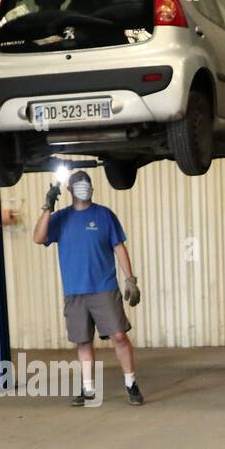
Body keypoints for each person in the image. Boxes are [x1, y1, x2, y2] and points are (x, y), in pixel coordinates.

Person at [32, 170, 145, 406]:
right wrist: (47, 207)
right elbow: (39, 237)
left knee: (119, 336)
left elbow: (119, 247)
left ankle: (131, 383)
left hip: (104, 288)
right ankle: (88, 389)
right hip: (75, 291)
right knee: (83, 341)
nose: (83, 186)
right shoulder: (61, 218)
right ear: (70, 190)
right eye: (78, 183)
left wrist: (130, 278)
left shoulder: (104, 215)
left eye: (86, 183)